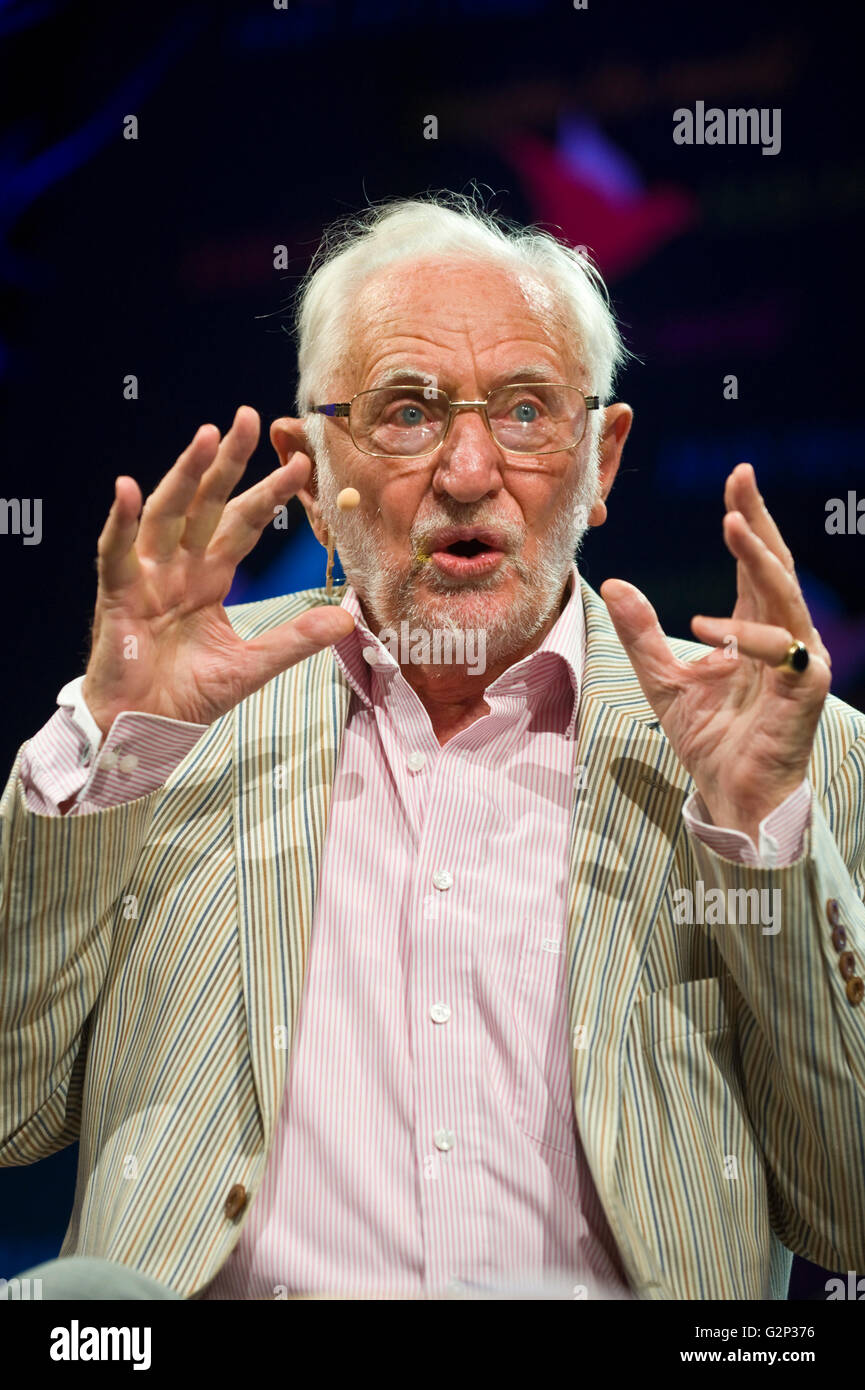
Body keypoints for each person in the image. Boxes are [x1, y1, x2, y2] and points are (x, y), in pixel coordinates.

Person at [2, 193, 864, 1302]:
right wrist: (113, 747)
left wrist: (760, 836)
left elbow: (846, 1209)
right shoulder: (168, 725)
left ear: (602, 459)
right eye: (408, 412)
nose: (467, 471)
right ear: (311, 471)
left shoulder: (788, 757)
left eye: (523, 412)